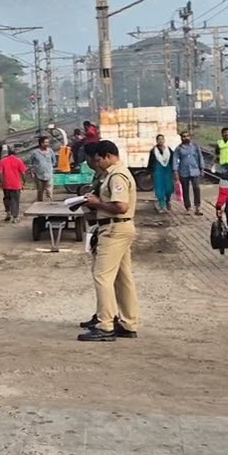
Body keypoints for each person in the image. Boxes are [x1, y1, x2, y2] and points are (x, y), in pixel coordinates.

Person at [78, 140, 139, 342]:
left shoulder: (117, 175)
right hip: (120, 228)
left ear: (108, 156)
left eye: (98, 160)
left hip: (114, 229)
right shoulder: (113, 174)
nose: (97, 163)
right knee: (123, 278)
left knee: (102, 276)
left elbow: (121, 206)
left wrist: (97, 203)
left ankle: (105, 325)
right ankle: (128, 323)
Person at [173, 130, 205, 215]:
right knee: (185, 189)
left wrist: (202, 168)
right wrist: (175, 171)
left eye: (187, 136)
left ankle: (197, 207)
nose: (186, 138)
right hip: (183, 171)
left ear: (190, 137)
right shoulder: (178, 149)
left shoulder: (195, 146)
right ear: (181, 138)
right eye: (184, 136)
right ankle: (188, 207)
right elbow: (175, 160)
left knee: (196, 188)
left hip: (195, 170)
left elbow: (200, 157)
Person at [0, 146, 27, 223]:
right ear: (15, 153)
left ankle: (8, 213)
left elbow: (0, 172)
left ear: (8, 153)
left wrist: (0, 182)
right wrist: (24, 182)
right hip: (16, 185)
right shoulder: (18, 161)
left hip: (6, 184)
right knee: (15, 200)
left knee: (7, 198)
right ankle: (15, 217)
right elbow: (23, 173)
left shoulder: (3, 161)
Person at [146, 134, 175, 213]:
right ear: (156, 141)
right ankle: (162, 206)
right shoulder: (153, 151)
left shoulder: (169, 150)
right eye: (159, 139)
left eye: (162, 139)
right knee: (159, 189)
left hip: (167, 171)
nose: (160, 141)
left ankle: (168, 201)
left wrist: (174, 171)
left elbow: (173, 161)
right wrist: (149, 172)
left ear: (164, 140)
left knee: (169, 188)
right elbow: (150, 162)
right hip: (158, 171)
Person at [27, 136, 56, 203]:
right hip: (39, 175)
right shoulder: (35, 153)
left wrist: (51, 168)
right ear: (41, 143)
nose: (47, 144)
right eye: (46, 142)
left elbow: (54, 161)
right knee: (40, 191)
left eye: (48, 142)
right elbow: (30, 163)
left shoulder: (50, 151)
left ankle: (49, 203)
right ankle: (40, 204)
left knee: (49, 191)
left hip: (49, 174)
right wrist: (32, 171)